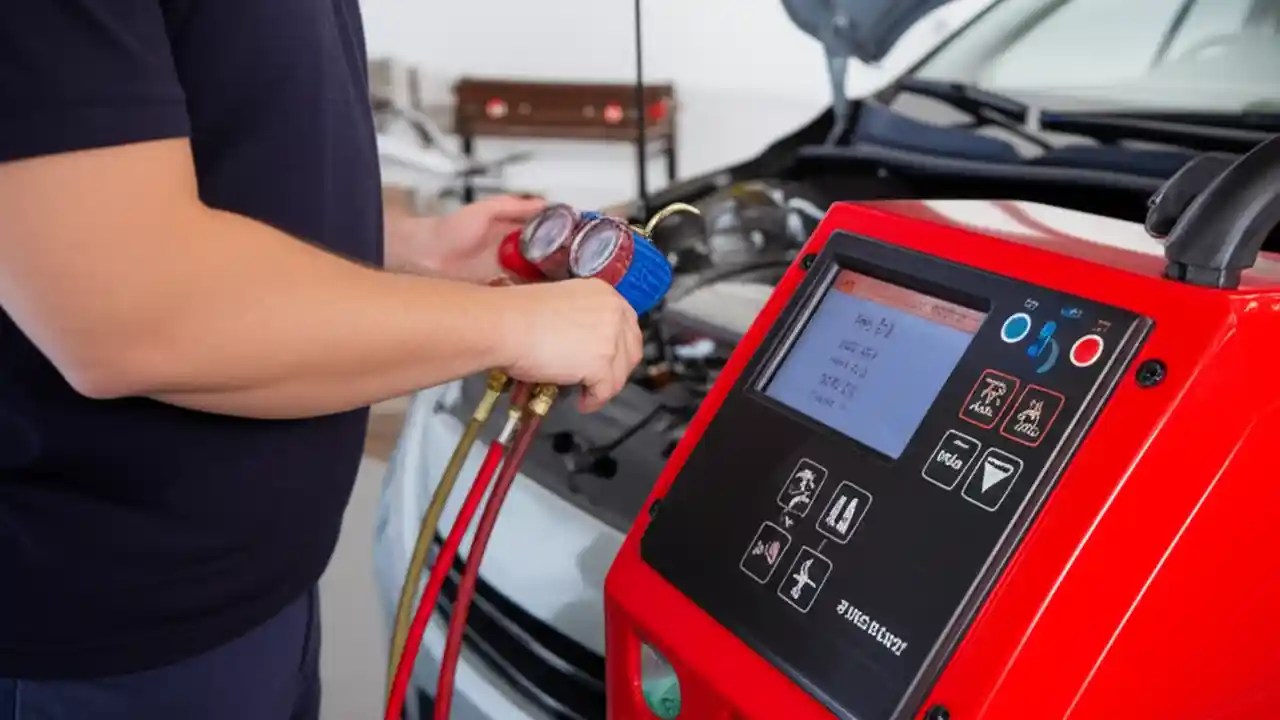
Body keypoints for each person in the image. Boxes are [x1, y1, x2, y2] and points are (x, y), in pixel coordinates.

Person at [0, 2, 643, 719]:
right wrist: (511, 327)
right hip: (102, 645)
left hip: (255, 600)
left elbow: (208, 150)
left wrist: (399, 244)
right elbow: (125, 312)